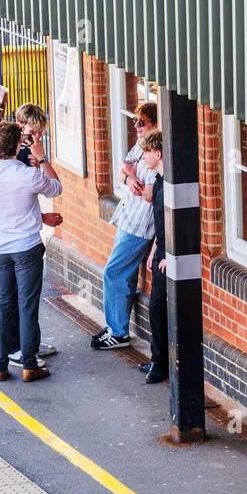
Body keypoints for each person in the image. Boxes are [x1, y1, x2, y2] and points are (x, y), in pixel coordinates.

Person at [0, 121, 62, 383]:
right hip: (27, 247)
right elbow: (56, 187)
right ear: (17, 145)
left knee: (3, 305)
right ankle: (29, 364)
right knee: (27, 305)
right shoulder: (28, 176)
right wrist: (42, 157)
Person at [90, 102, 159, 352]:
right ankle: (115, 327)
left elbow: (151, 194)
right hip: (127, 217)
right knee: (124, 275)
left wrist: (135, 180)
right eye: (135, 122)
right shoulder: (141, 146)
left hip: (140, 225)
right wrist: (129, 178)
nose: (137, 127)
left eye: (142, 122)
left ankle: (118, 332)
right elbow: (124, 167)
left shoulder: (157, 151)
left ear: (155, 124)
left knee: (114, 272)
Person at [143, 130, 169, 385]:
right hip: (161, 251)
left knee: (157, 307)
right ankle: (157, 358)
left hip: (170, 255)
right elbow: (161, 223)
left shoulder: (170, 184)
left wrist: (170, 256)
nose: (144, 157)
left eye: (146, 152)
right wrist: (155, 249)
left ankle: (160, 362)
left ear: (158, 153)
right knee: (157, 306)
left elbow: (180, 223)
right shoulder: (159, 181)